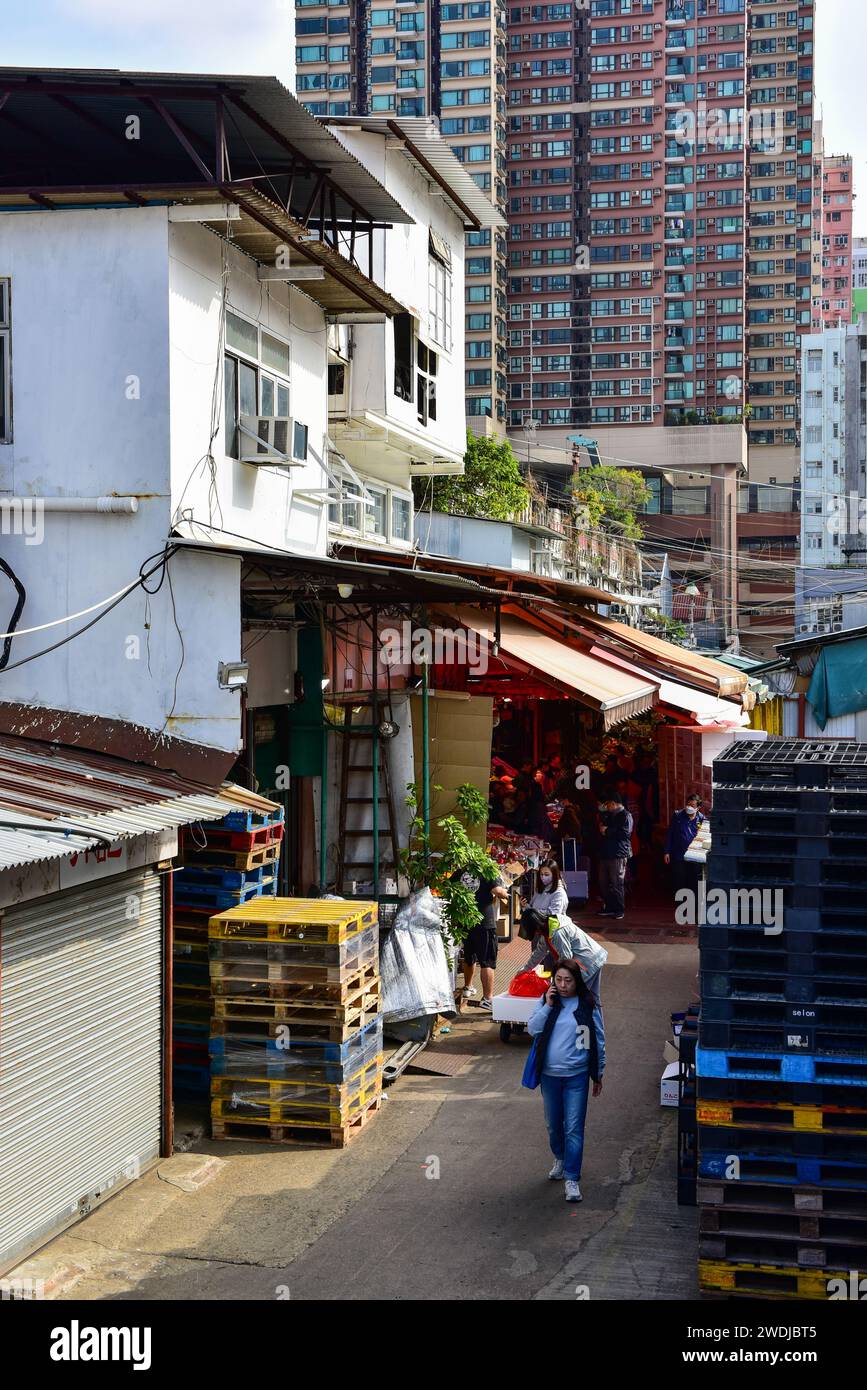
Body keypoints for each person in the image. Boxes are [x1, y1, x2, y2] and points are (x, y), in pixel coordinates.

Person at [524, 958, 605, 1202]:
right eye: (558, 980)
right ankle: (559, 1158)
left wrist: (598, 1072)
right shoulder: (548, 1000)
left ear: (576, 981)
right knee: (553, 1125)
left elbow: (598, 1039)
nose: (562, 985)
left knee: (574, 1128)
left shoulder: (588, 1003)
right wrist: (548, 1005)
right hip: (550, 1076)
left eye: (568, 980)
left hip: (577, 1076)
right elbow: (532, 1028)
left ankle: (572, 1178)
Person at [519, 906, 608, 995]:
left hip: (588, 962)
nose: (536, 934)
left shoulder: (557, 933)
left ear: (536, 927)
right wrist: (526, 969)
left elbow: (566, 959)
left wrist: (556, 979)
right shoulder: (548, 928)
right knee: (592, 999)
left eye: (534, 931)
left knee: (583, 1000)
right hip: (593, 957)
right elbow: (539, 952)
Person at [457, 868, 509, 1010]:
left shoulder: (461, 871)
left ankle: (468, 987)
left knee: (469, 955)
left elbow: (448, 889)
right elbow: (498, 891)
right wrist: (506, 893)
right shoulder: (487, 871)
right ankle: (487, 998)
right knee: (487, 961)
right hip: (484, 922)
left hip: (466, 921)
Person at [597, 791, 633, 920]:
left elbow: (625, 834)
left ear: (613, 804)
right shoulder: (609, 815)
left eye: (608, 805)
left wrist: (607, 831)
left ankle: (619, 909)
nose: (606, 807)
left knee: (617, 882)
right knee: (604, 881)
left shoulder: (626, 815)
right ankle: (609, 907)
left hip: (618, 854)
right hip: (606, 853)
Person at [664, 793, 706, 903]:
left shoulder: (701, 819)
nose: (689, 807)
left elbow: (704, 837)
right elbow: (670, 834)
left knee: (694, 880)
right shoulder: (678, 816)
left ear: (698, 807)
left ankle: (694, 904)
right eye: (688, 804)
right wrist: (667, 851)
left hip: (694, 856)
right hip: (679, 855)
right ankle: (681, 904)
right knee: (680, 880)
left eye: (692, 805)